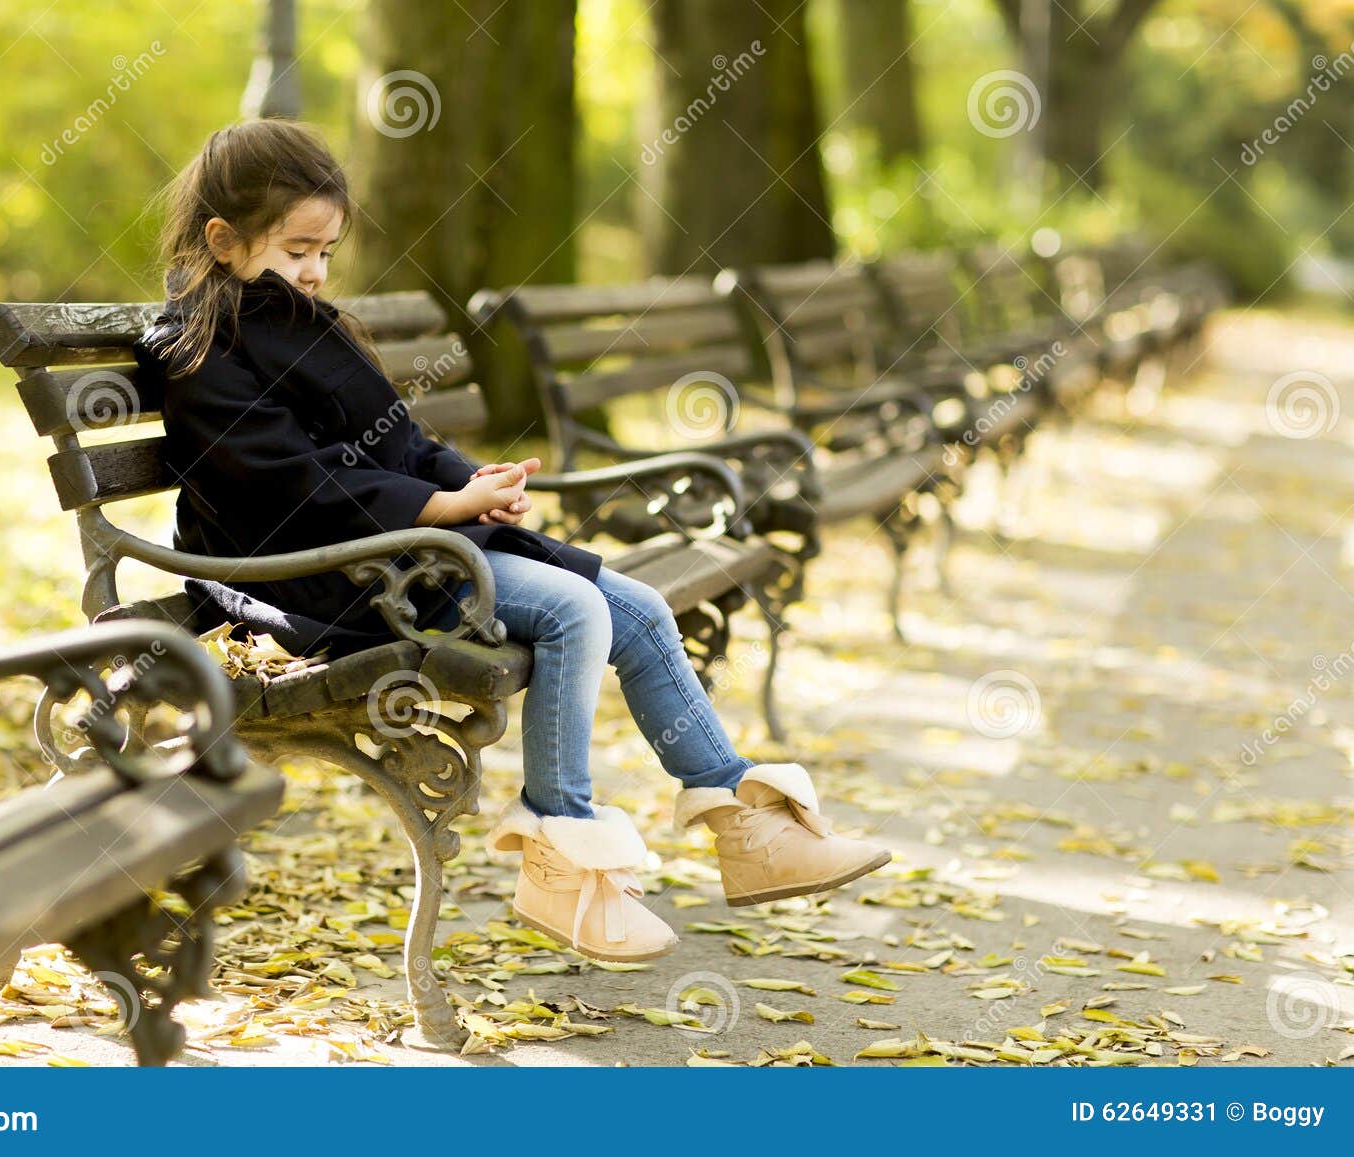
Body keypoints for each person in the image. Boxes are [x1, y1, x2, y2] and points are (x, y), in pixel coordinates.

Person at [135, 119, 891, 963]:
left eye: (326, 252)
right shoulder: (202, 351)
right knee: (572, 607)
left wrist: (469, 484)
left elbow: (398, 441)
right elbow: (289, 485)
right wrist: (436, 505)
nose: (314, 272)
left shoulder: (303, 322)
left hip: (394, 548)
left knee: (635, 608)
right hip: (313, 579)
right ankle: (561, 858)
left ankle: (746, 827)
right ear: (223, 239)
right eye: (298, 250)